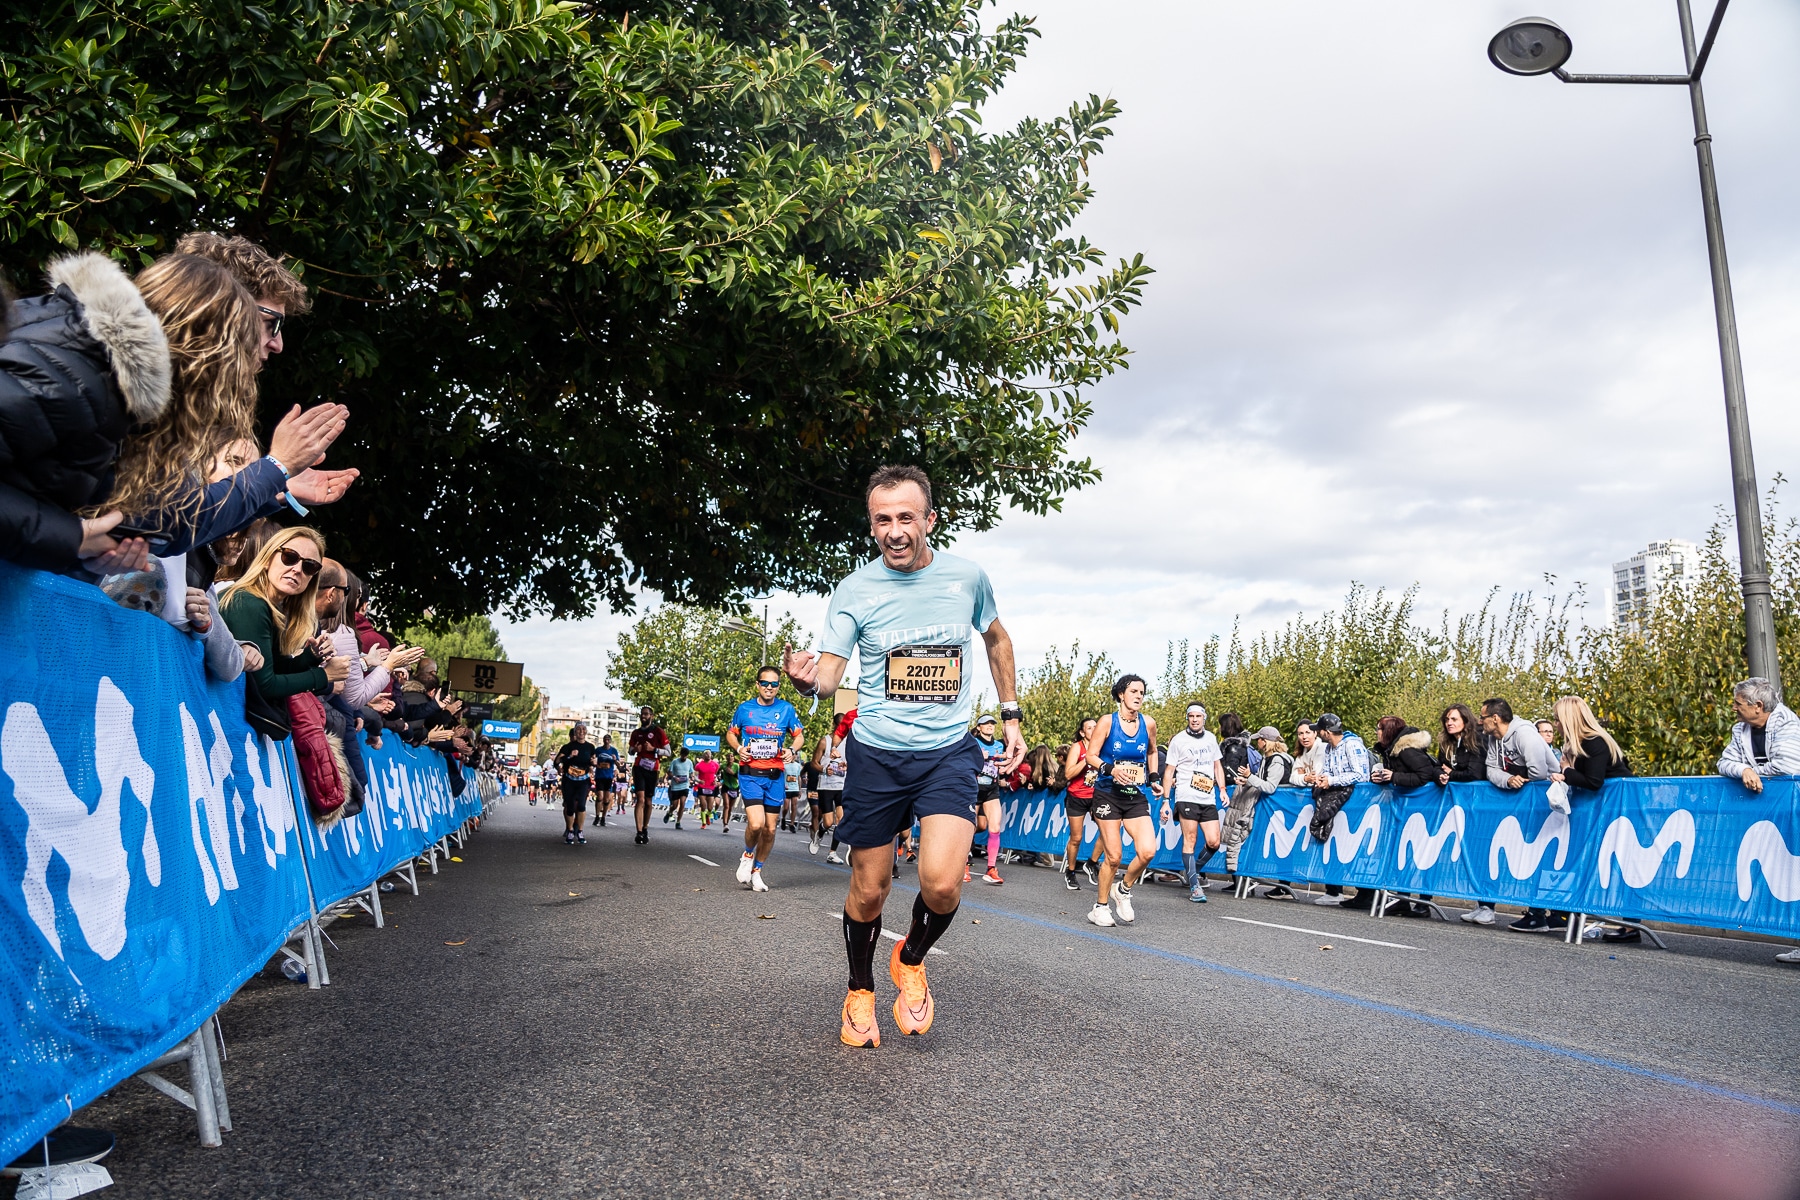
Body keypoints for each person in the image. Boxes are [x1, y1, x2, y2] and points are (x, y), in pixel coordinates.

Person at [782, 464, 1024, 1048]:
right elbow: (830, 678)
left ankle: (909, 959)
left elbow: (996, 639)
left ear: (929, 521)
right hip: (878, 756)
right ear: (872, 527)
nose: (894, 529)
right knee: (871, 889)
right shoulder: (855, 590)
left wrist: (1010, 711)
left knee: (942, 885)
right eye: (882, 519)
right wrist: (805, 681)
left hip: (947, 752)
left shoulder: (967, 579)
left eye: (906, 517)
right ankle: (860, 987)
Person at [0, 251, 172, 575]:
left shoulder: (93, 374)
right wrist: (72, 537)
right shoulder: (75, 380)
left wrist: (85, 545)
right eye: (266, 324)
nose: (274, 345)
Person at [219, 526, 349, 705]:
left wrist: (311, 655)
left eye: (309, 566)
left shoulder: (269, 606)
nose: (297, 569)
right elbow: (265, 686)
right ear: (267, 559)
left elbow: (276, 670)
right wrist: (325, 675)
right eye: (289, 556)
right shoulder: (248, 602)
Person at [1548, 695, 1640, 944]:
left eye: (1557, 719)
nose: (1555, 724)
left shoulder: (1595, 742)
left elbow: (1594, 782)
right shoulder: (1580, 744)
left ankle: (1631, 926)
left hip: (1621, 811)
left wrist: (1566, 772)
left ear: (1569, 720)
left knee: (1620, 863)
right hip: (1605, 811)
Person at [1479, 698, 1565, 932]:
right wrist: (1507, 780)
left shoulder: (1525, 734)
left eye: (1483, 717)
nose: (1480, 721)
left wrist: (1516, 777)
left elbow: (1539, 772)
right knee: (1528, 855)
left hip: (1545, 803)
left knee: (1544, 855)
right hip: (1523, 803)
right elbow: (1491, 769)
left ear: (1495, 718)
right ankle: (1539, 914)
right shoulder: (1493, 738)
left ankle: (1549, 914)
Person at [1082, 675, 1160, 928]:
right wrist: (1110, 769)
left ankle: (1124, 889)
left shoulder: (1148, 723)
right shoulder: (1107, 722)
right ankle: (1100, 907)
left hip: (1134, 794)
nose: (1138, 696)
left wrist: (1155, 777)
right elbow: (1090, 757)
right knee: (1113, 856)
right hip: (1107, 793)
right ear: (1120, 695)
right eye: (1134, 691)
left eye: (1142, 692)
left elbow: (1151, 752)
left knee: (1148, 851)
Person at [727, 666, 807, 891]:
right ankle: (747, 855)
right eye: (765, 683)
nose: (769, 688)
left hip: (775, 776)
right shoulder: (745, 709)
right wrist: (739, 748)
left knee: (770, 830)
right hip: (750, 773)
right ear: (758, 685)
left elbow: (799, 735)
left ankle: (757, 871)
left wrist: (791, 749)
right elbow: (731, 733)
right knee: (756, 824)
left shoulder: (786, 709)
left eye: (774, 684)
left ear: (778, 686)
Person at [1369, 715, 1441, 917]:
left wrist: (1394, 777)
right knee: (1403, 853)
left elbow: (1425, 774)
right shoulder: (1391, 750)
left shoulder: (1407, 750)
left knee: (1420, 854)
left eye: (1380, 729)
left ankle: (1423, 903)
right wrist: (1381, 778)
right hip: (1405, 809)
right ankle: (1402, 898)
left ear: (1389, 731)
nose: (1377, 732)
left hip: (1423, 809)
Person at [1302, 713, 1374, 910]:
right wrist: (1321, 779)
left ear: (1326, 731)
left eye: (1319, 730)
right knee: (1334, 844)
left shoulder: (1352, 745)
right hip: (1336, 801)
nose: (1318, 733)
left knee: (1354, 846)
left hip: (1355, 803)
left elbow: (1361, 774)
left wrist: (1332, 781)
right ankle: (1335, 889)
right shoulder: (1327, 748)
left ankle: (1366, 892)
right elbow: (1328, 771)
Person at [1161, 703, 1227, 903]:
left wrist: (1222, 790)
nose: (1195, 719)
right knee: (1189, 840)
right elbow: (1169, 771)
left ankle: (1193, 871)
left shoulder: (1211, 738)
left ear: (1204, 718)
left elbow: (1217, 765)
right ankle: (1194, 886)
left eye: (1198, 716)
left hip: (1207, 797)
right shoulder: (1179, 740)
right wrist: (1166, 801)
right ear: (1187, 718)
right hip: (1186, 795)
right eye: (1192, 716)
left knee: (1214, 842)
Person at [1229, 727, 1293, 892]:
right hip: (1271, 809)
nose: (1257, 742)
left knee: (1279, 845)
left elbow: (1270, 786)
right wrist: (1248, 780)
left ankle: (1283, 886)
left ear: (1266, 741)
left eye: (1259, 739)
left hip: (1279, 810)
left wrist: (1250, 777)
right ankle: (1255, 880)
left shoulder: (1277, 760)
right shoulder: (1268, 757)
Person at [1717, 677, 1800, 793]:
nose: (1734, 708)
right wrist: (1744, 770)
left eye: (1738, 704)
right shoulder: (1740, 729)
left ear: (1758, 706)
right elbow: (1723, 763)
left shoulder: (1786, 722)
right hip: (1761, 802)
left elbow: (1787, 766)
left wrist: (1752, 772)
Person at [1060, 717, 1101, 891]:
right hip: (1077, 795)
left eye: (1096, 727)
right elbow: (1068, 774)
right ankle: (1070, 872)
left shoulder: (1103, 746)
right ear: (1083, 733)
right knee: (1076, 838)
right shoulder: (1078, 747)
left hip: (1097, 796)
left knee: (1109, 832)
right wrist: (1087, 759)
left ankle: (1091, 863)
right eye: (1089, 728)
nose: (1094, 730)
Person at [971, 713, 1007, 884]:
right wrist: (979, 757)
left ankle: (991, 869)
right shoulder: (972, 743)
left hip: (991, 789)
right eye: (986, 724)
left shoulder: (999, 745)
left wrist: (1004, 767)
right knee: (970, 827)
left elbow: (1001, 766)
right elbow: (964, 762)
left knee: (994, 827)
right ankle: (963, 865)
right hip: (973, 788)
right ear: (979, 727)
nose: (990, 726)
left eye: (992, 723)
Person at [627, 707, 670, 845]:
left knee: (648, 801)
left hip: (653, 768)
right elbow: (630, 751)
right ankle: (639, 831)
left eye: (646, 714)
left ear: (651, 716)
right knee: (640, 799)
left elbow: (668, 752)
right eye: (642, 714)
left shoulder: (658, 732)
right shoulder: (636, 733)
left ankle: (645, 828)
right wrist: (636, 749)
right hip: (639, 767)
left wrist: (654, 749)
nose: (643, 716)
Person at [814, 712, 853, 862]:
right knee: (829, 822)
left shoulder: (850, 742)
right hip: (826, 786)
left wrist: (846, 765)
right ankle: (821, 832)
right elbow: (814, 763)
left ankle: (832, 852)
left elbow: (854, 763)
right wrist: (824, 769)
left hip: (842, 785)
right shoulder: (825, 741)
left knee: (841, 820)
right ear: (836, 726)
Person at [555, 723, 599, 845]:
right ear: (575, 732)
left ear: (586, 732)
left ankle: (580, 830)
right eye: (578, 729)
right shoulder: (568, 746)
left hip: (583, 780)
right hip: (569, 780)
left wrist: (594, 762)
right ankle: (569, 831)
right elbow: (557, 760)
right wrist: (569, 756)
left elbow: (593, 761)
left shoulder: (590, 747)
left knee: (581, 805)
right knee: (570, 806)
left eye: (583, 729)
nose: (581, 731)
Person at [592, 734, 620, 826]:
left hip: (608, 776)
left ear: (610, 741)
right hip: (599, 776)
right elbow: (592, 758)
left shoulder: (613, 750)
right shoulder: (598, 750)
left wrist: (615, 760)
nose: (606, 741)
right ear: (603, 740)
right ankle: (597, 816)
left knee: (606, 799)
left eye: (608, 739)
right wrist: (595, 764)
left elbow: (619, 764)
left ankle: (603, 817)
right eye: (605, 739)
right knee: (599, 796)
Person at [664, 745, 693, 830]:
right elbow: (669, 772)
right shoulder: (675, 761)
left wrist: (693, 777)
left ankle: (678, 822)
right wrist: (674, 777)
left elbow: (691, 772)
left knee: (683, 803)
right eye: (683, 755)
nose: (684, 757)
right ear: (680, 754)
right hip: (676, 786)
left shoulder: (689, 762)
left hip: (685, 785)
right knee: (675, 805)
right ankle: (669, 812)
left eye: (685, 755)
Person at [694, 750, 720, 828]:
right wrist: (699, 781)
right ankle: (703, 823)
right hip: (702, 787)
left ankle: (707, 815)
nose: (708, 755)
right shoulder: (698, 765)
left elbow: (715, 774)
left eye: (709, 754)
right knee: (703, 805)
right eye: (706, 754)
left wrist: (715, 780)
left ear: (711, 755)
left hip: (711, 787)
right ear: (703, 755)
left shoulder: (715, 764)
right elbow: (695, 776)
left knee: (710, 807)